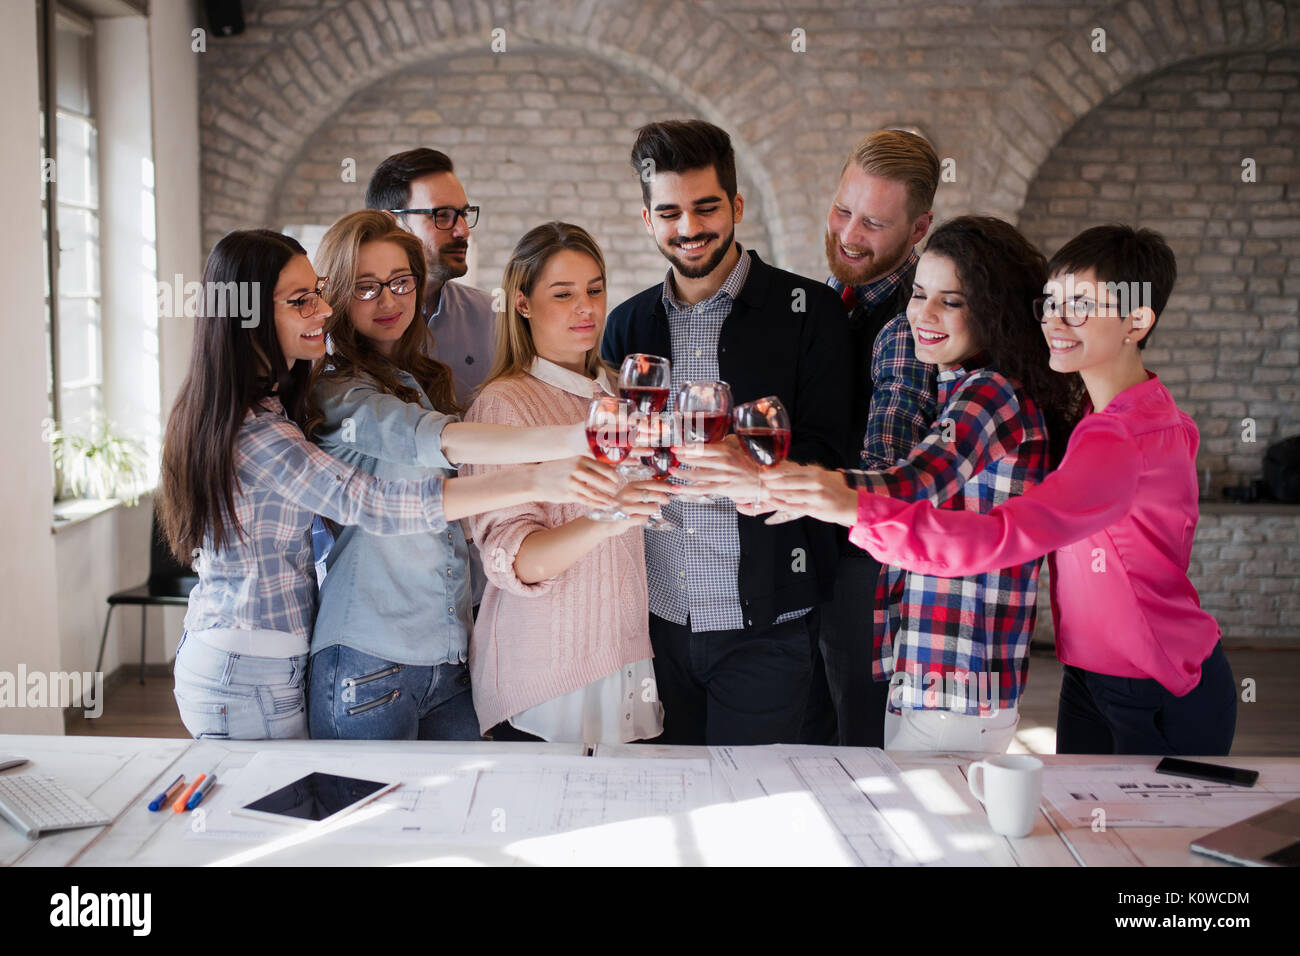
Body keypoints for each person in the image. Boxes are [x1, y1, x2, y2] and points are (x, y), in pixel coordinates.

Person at [771, 225, 1237, 756]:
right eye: (1052, 302)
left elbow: (1005, 535)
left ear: (1137, 319)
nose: (1056, 322)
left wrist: (839, 499)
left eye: (1081, 305)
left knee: (1147, 839)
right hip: (1088, 677)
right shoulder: (1113, 412)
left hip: (1160, 681)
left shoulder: (1121, 435)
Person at [158, 230, 604, 740]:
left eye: (318, 292)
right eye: (301, 300)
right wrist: (545, 470)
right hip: (259, 664)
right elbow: (375, 500)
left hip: (332, 653)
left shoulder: (276, 406)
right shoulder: (276, 421)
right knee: (294, 814)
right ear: (250, 314)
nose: (321, 311)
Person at [754, 217, 1077, 753]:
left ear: (992, 309)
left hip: (956, 688)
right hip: (939, 684)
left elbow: (912, 483)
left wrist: (803, 485)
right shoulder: (971, 387)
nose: (921, 316)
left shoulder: (990, 393)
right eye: (919, 294)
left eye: (950, 301)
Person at [306, 211, 622, 741]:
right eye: (366, 287)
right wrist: (571, 441)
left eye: (401, 282)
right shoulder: (337, 390)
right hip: (367, 653)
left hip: (448, 655)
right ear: (336, 292)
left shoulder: (417, 378)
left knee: (462, 817)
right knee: (366, 820)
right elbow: (435, 439)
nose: (389, 300)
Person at [601, 119, 853, 746]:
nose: (689, 228)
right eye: (670, 213)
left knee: (754, 810)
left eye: (706, 207)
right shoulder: (627, 325)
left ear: (736, 205)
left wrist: (761, 464)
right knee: (668, 805)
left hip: (768, 623)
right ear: (648, 219)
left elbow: (835, 452)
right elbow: (611, 452)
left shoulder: (809, 313)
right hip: (654, 625)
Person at [463, 222, 670, 744]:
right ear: (523, 303)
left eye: (595, 290)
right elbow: (513, 559)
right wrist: (612, 514)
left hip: (626, 656)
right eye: (564, 294)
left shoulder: (624, 392)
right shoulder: (504, 404)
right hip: (545, 674)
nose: (586, 308)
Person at [804, 128, 941, 747]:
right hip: (815, 554)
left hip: (870, 572)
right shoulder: (832, 298)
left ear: (919, 230)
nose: (850, 235)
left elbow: (885, 477)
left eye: (874, 224)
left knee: (858, 746)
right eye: (843, 210)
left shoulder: (909, 325)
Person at [364, 148, 496, 606]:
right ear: (391, 221)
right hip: (380, 595)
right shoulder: (338, 331)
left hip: (479, 587)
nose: (461, 230)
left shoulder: (492, 319)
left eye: (462, 214)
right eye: (441, 215)